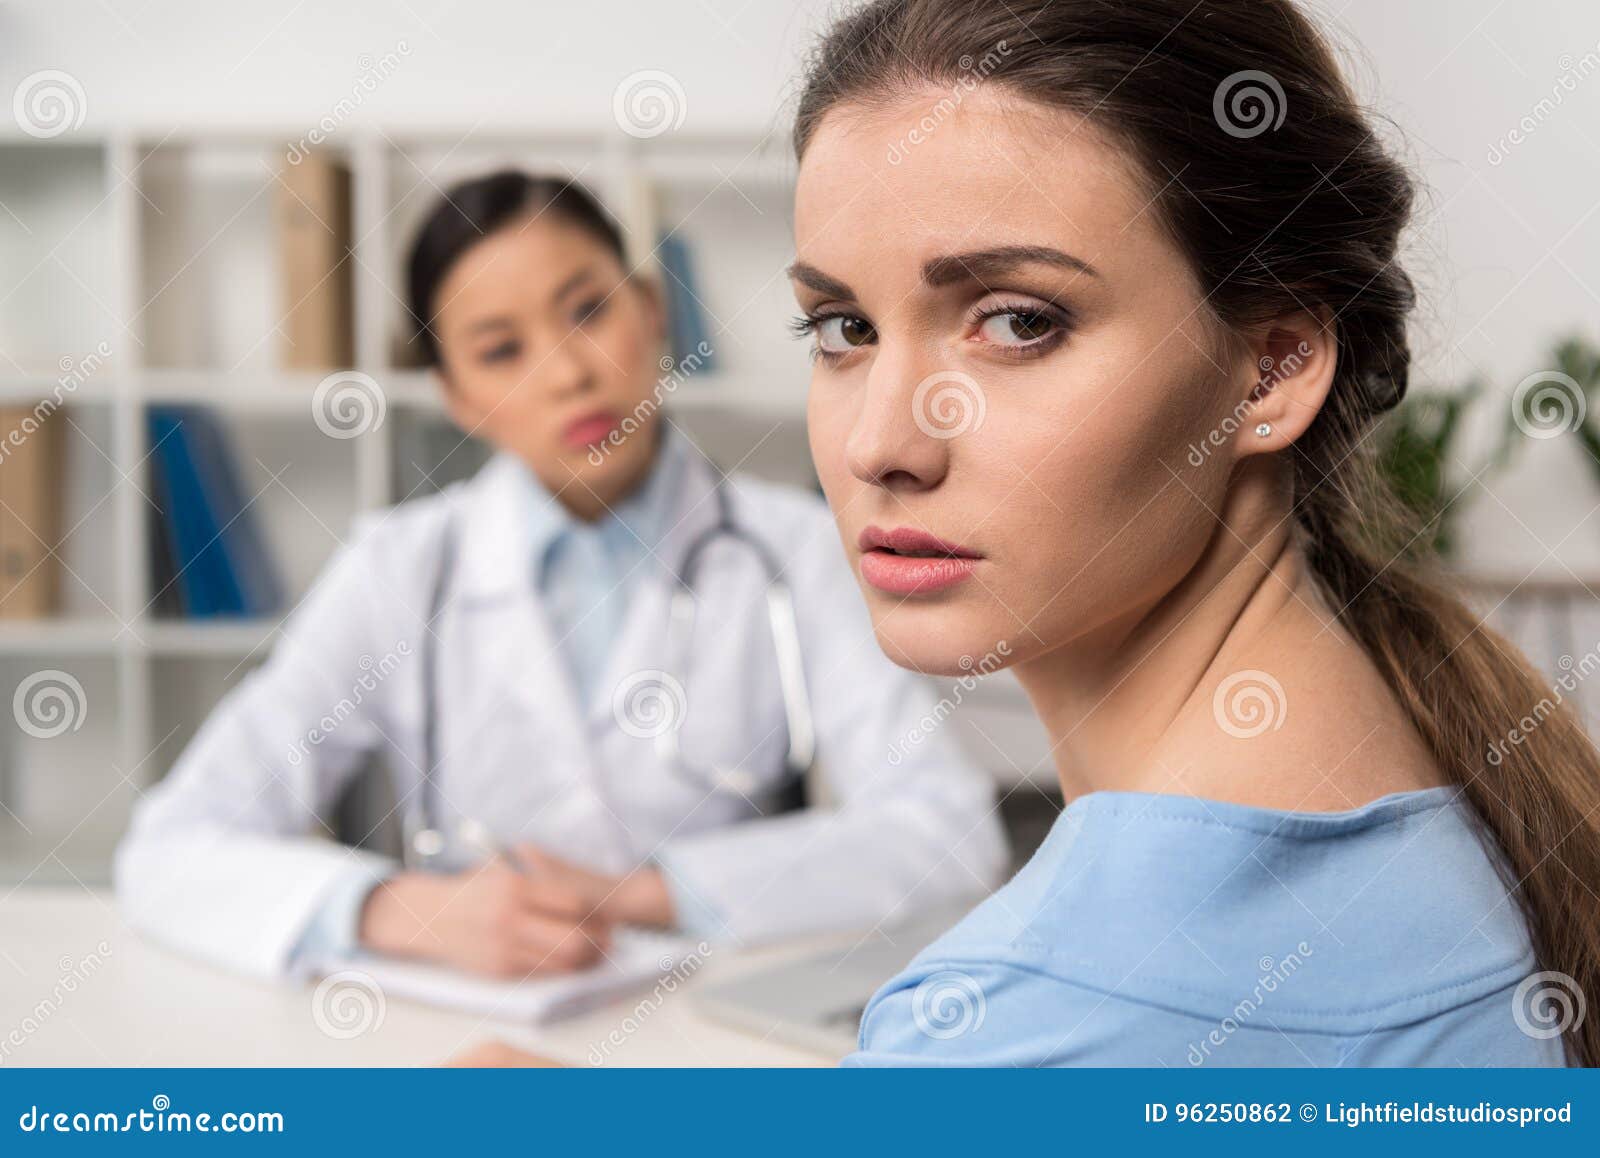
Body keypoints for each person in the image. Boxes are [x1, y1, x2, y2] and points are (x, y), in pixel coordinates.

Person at [456, 0, 1598, 1068]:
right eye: (842, 326)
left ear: (1273, 364)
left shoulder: (1023, 1022)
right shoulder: (1426, 780)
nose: (881, 444)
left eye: (1015, 322)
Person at [114, 170, 1008, 982]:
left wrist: (644, 894)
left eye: (589, 311)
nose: (570, 372)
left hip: (712, 1020)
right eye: (501, 350)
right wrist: (400, 910)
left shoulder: (794, 548)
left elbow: (947, 831)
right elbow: (172, 847)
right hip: (480, 1032)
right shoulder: (400, 570)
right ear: (458, 395)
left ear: (653, 311)